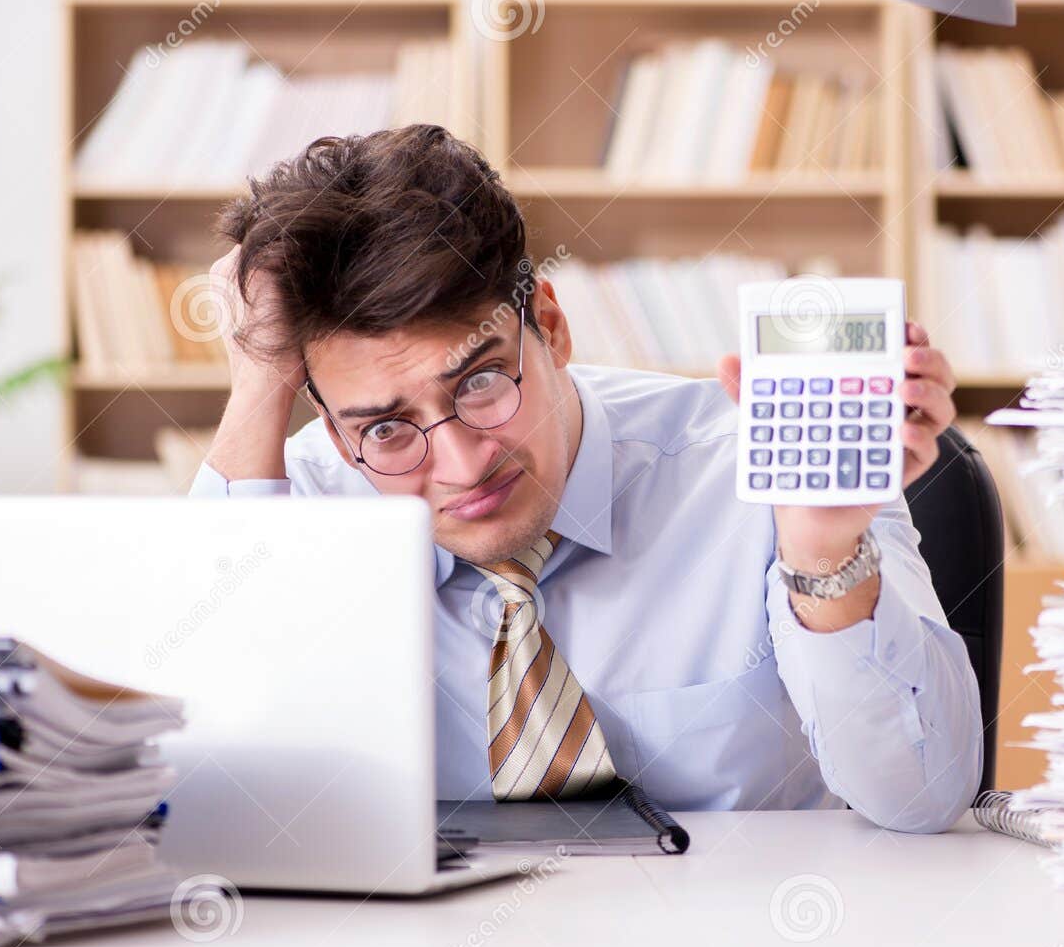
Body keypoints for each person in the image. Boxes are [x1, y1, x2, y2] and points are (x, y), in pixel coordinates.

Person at [190, 124, 981, 832]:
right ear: (334, 428)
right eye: (387, 429)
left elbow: (923, 797)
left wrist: (821, 552)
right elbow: (207, 791)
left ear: (554, 329)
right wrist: (261, 384)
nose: (463, 465)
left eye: (483, 383)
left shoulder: (767, 474)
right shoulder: (299, 511)